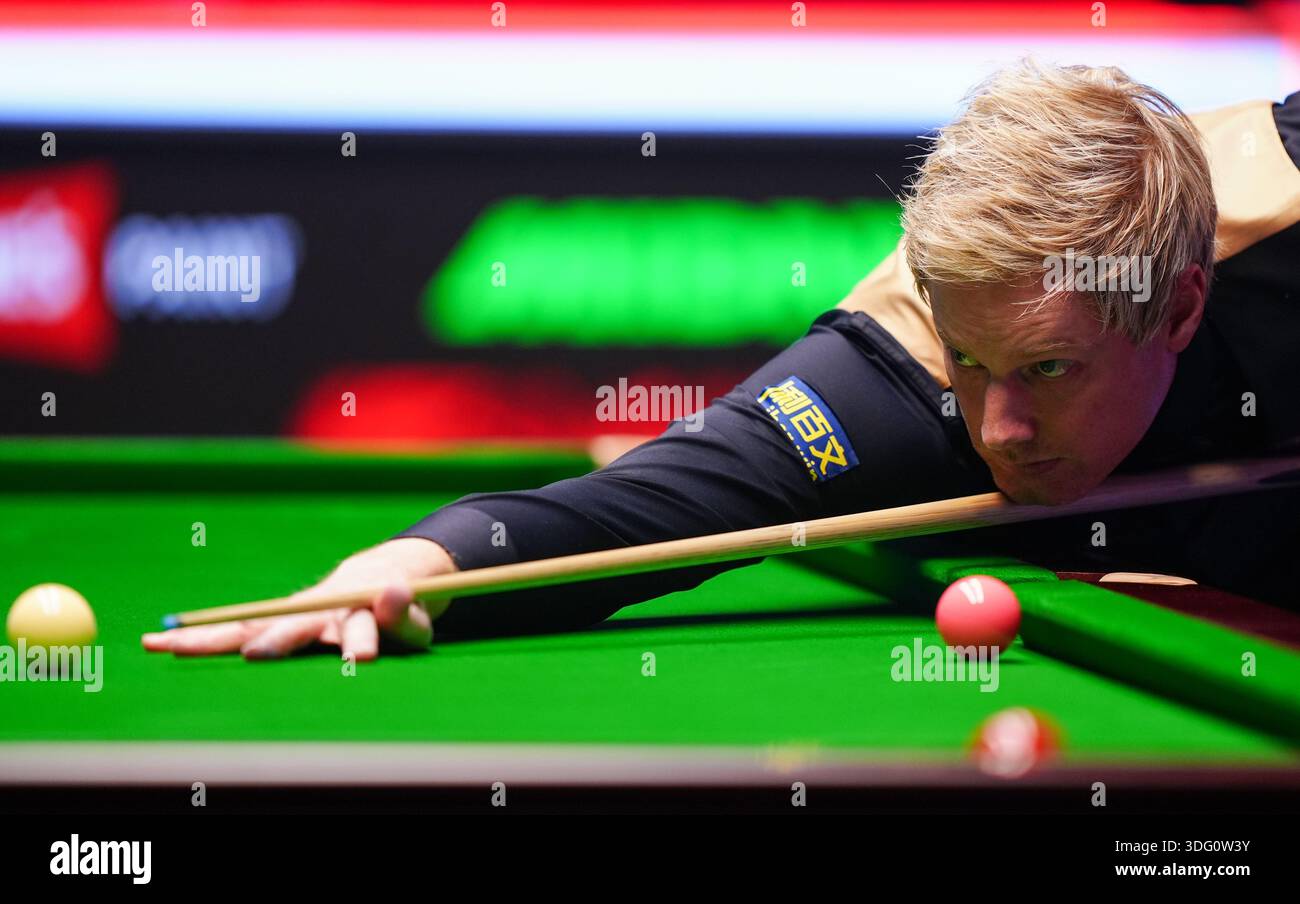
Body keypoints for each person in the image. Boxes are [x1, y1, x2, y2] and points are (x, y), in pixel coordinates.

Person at [143, 60, 1300, 661]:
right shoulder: (891, 387)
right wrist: (401, 567)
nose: (995, 426)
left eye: (1047, 371)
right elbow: (624, 516)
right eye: (971, 362)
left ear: (1178, 305)